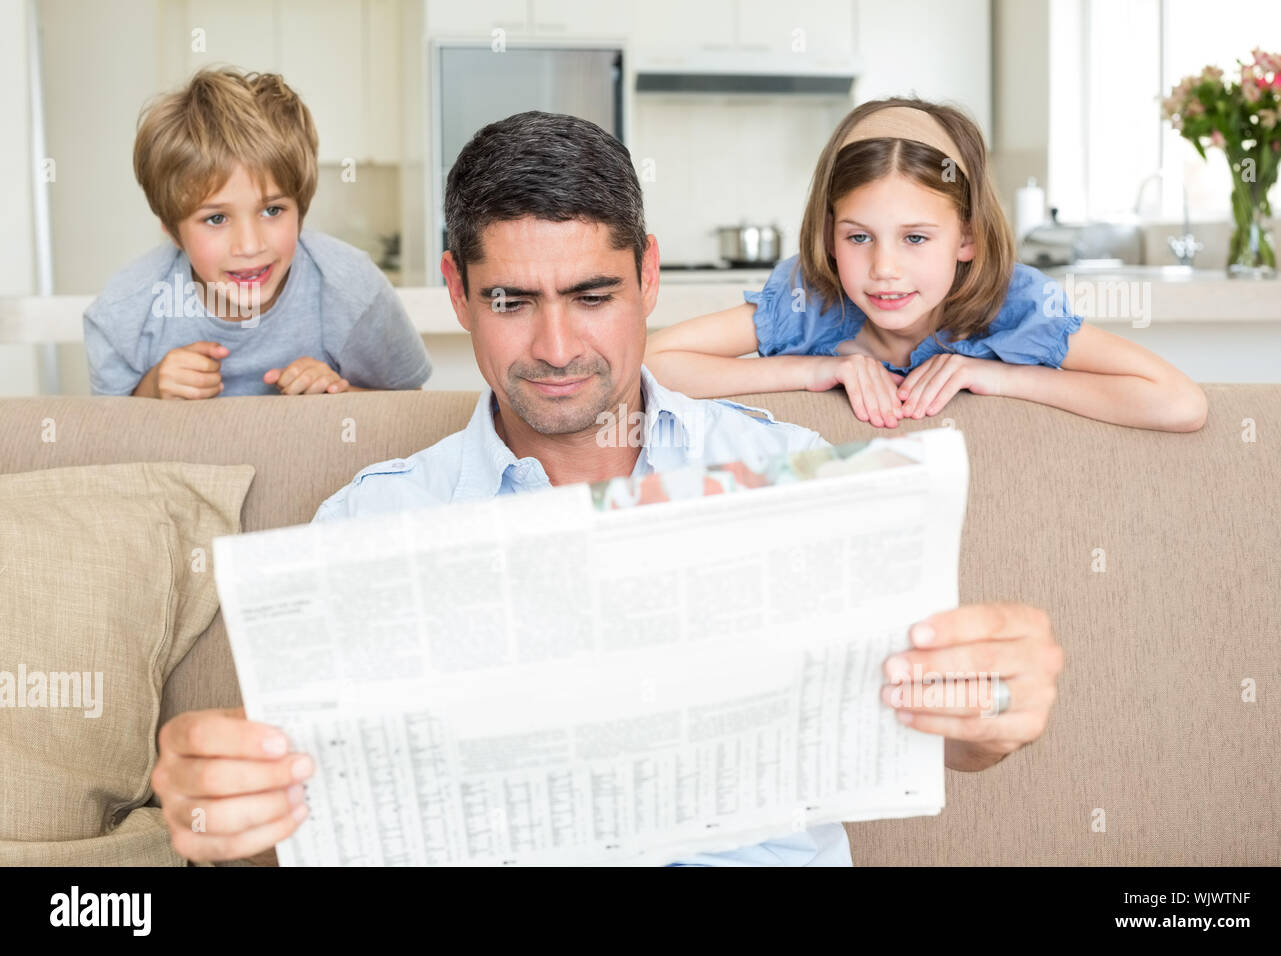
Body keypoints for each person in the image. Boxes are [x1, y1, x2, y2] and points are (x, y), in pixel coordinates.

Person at [151, 111, 1065, 866]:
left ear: (651, 277)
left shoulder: (788, 485)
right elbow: (297, 812)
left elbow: (925, 724)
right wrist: (221, 812)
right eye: (511, 301)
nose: (554, 350)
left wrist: (985, 715)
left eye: (592, 296)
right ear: (458, 294)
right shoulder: (371, 524)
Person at [645, 97, 1207, 433]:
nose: (884, 268)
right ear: (828, 236)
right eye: (859, 236)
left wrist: (997, 375)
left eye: (915, 237)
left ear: (966, 237)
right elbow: (652, 363)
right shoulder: (809, 301)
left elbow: (1181, 403)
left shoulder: (1013, 309)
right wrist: (818, 372)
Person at [83, 68, 432, 398]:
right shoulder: (124, 314)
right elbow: (110, 439)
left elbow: (412, 413)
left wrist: (339, 398)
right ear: (173, 231)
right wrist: (152, 389)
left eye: (272, 211)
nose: (250, 246)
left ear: (301, 209)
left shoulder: (354, 290)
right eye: (216, 218)